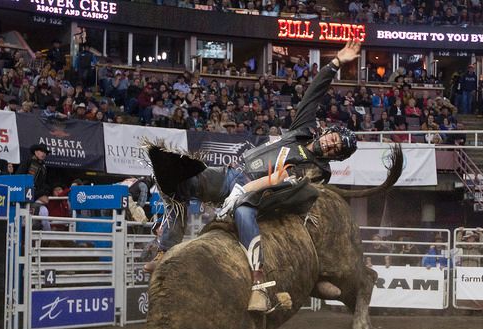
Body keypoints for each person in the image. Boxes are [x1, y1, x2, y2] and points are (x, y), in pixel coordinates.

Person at [145, 39, 363, 312]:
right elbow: (313, 94)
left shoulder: (318, 171)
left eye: (336, 148)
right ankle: (165, 250)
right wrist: (336, 63)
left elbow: (285, 186)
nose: (331, 144)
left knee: (245, 215)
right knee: (179, 182)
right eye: (334, 139)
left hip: (258, 196)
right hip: (233, 175)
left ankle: (259, 283)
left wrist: (247, 192)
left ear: (335, 156)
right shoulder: (301, 131)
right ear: (327, 132)